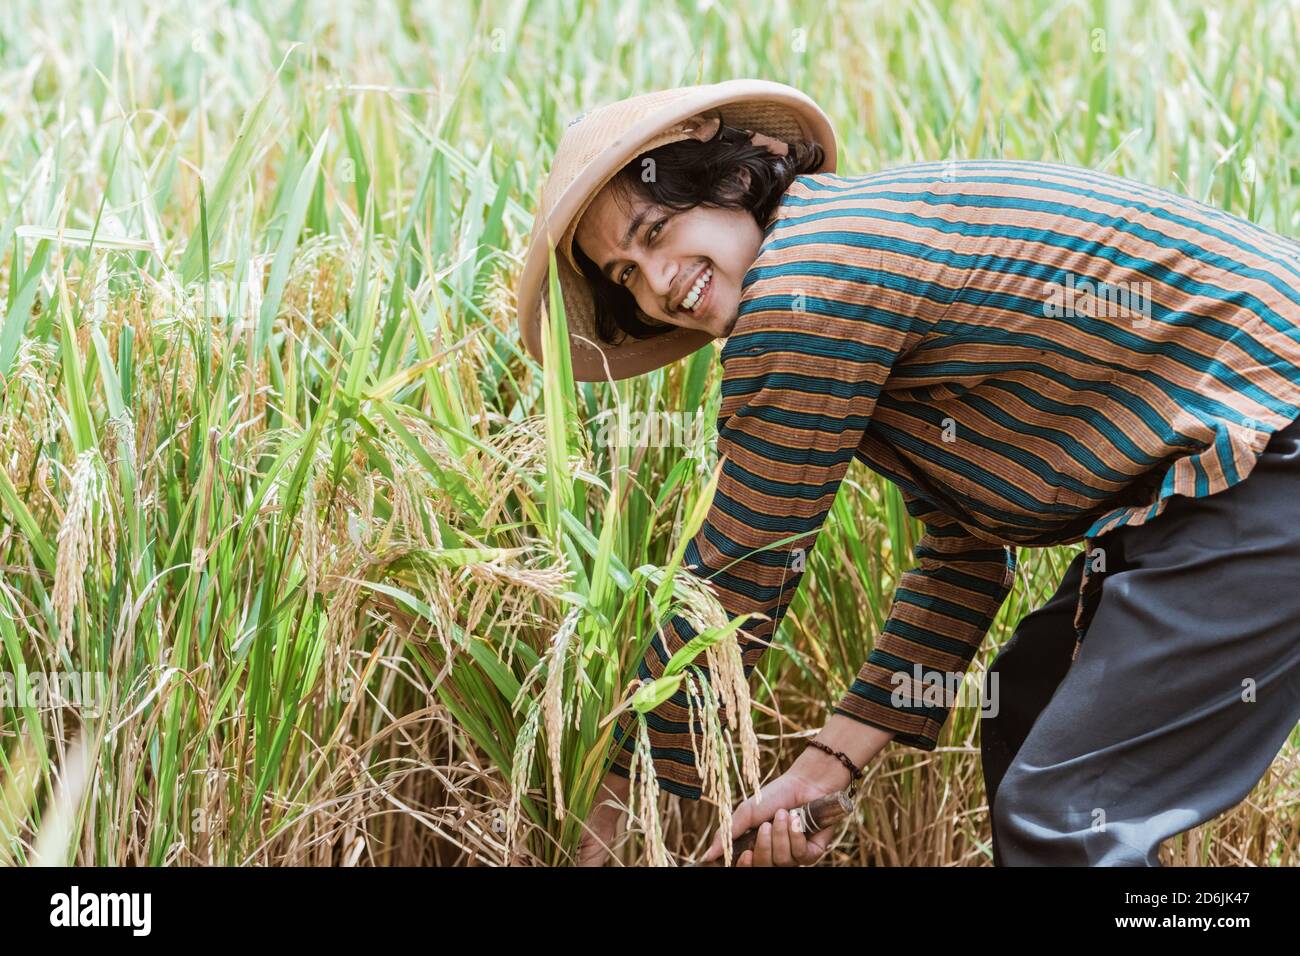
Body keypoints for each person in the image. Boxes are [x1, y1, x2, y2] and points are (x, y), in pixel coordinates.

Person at [515, 79, 1300, 866]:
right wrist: (827, 769)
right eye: (624, 276)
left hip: (1271, 443)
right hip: (1228, 477)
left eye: (656, 231)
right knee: (1030, 706)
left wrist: (604, 822)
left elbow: (736, 575)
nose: (656, 283)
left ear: (726, 179)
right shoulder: (850, 278)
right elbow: (964, 554)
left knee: (1067, 813)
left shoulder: (806, 287)